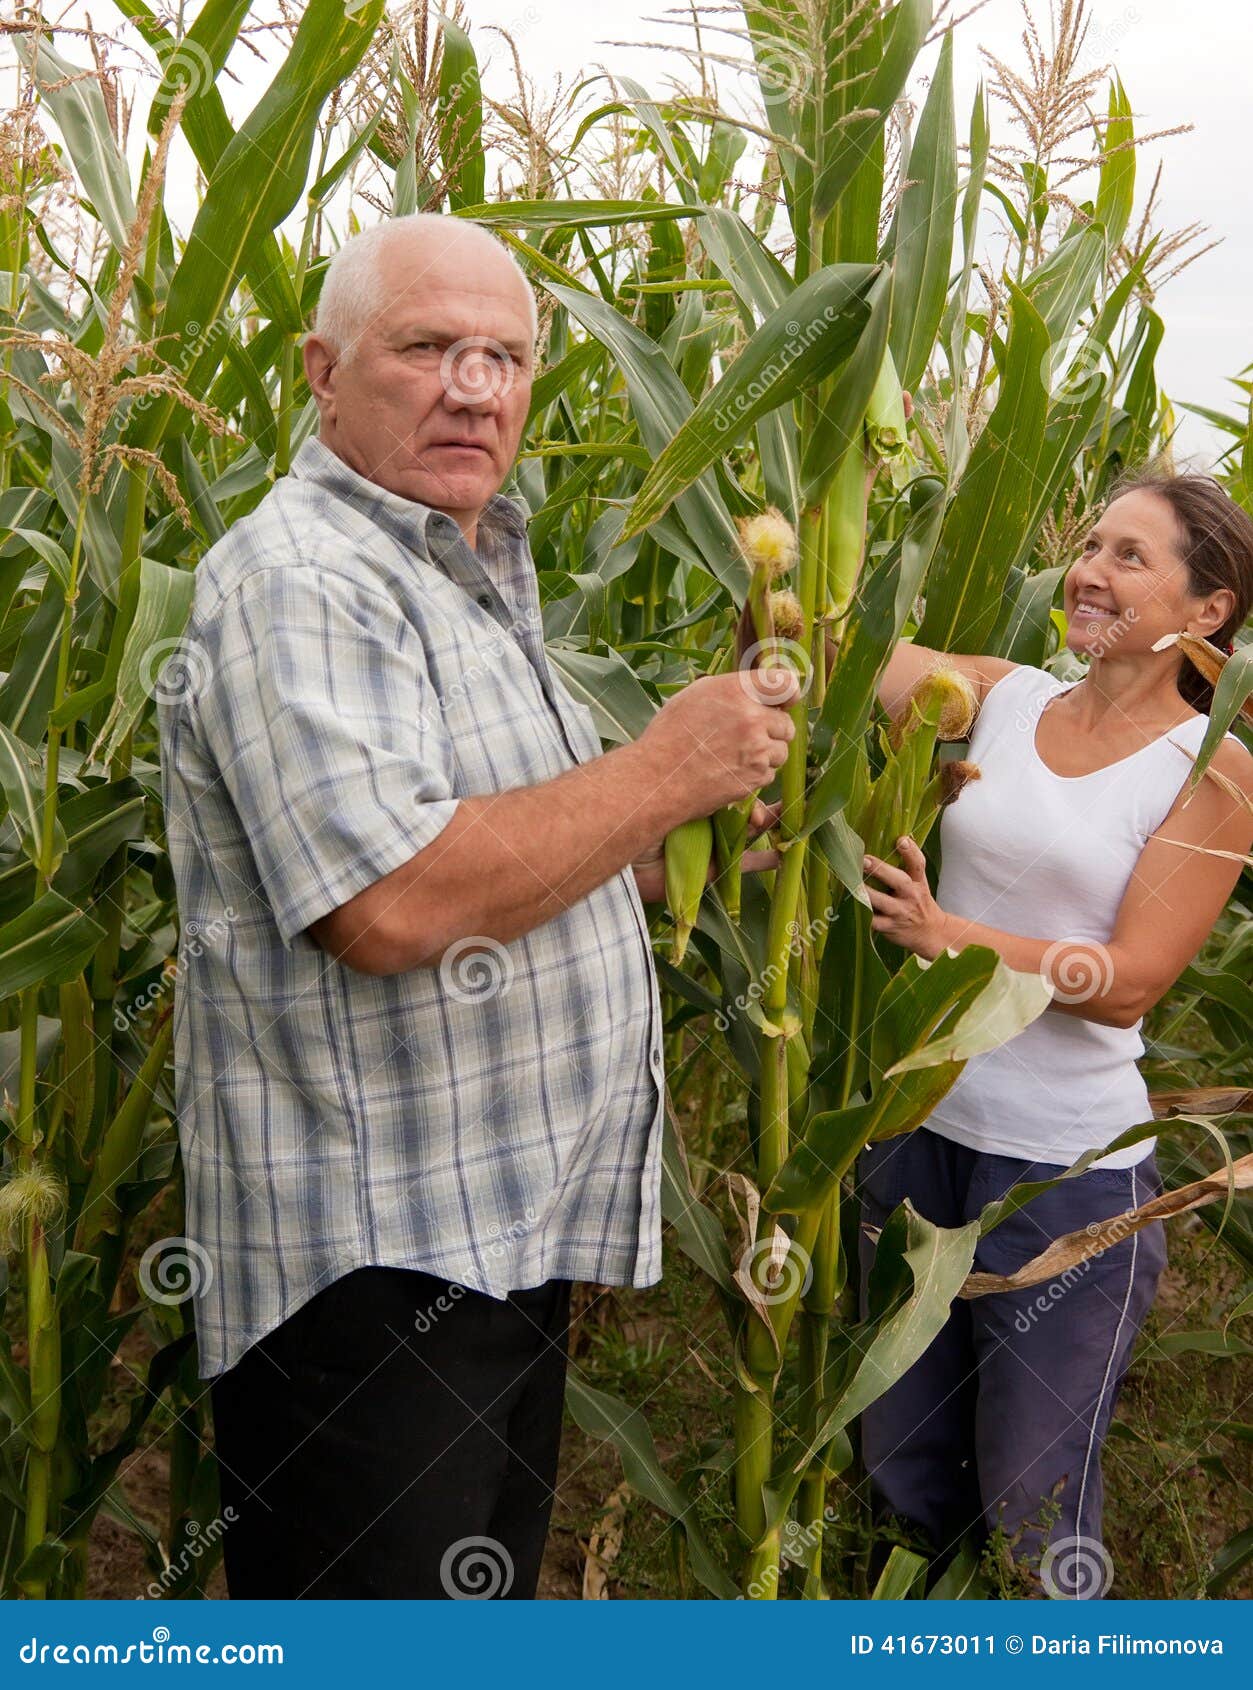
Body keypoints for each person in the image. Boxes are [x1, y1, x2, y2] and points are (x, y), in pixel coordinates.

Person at [157, 211, 795, 1598]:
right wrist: (658, 766)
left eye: (504, 356)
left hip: (491, 1239)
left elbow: (518, 855)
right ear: (322, 370)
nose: (474, 386)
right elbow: (387, 903)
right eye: (427, 348)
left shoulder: (459, 565)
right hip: (372, 1279)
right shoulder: (304, 581)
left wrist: (684, 836)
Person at [854, 471, 1253, 1596]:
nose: (1087, 571)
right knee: (898, 1469)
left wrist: (943, 935)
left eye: (1130, 556)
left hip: (1063, 1178)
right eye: (1088, 544)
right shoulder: (1003, 696)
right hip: (917, 1129)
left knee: (1031, 1506)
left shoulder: (1210, 769)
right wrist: (791, 590)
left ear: (1206, 611)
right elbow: (830, 661)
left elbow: (1126, 982)